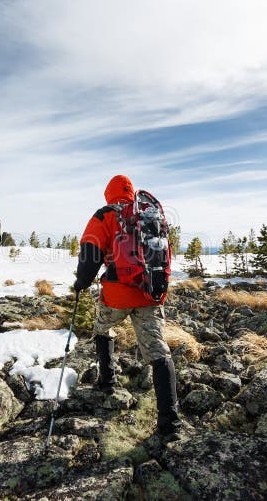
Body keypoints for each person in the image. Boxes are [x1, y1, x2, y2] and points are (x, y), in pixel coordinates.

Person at [73, 174, 182, 439]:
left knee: (103, 330)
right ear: (132, 193)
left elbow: (90, 256)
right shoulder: (148, 216)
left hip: (117, 295)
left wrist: (81, 284)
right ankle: (170, 425)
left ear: (108, 193)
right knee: (158, 352)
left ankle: (107, 381)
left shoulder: (104, 215)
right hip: (149, 293)